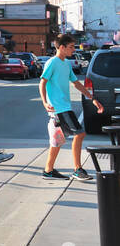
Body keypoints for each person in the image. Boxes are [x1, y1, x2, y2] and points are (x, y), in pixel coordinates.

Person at [40, 34, 103, 181]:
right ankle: (77, 169)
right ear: (61, 47)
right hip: (59, 108)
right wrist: (44, 102)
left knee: (57, 141)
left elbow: (76, 83)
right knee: (80, 134)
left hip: (63, 107)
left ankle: (48, 170)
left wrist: (92, 98)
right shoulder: (52, 62)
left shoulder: (66, 64)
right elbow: (42, 82)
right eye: (71, 47)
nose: (73, 49)